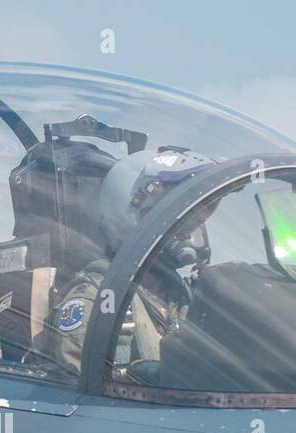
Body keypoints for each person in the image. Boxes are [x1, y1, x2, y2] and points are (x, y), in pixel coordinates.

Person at [43, 147, 218, 375]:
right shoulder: (96, 303)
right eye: (179, 216)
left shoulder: (180, 295)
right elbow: (84, 393)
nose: (189, 230)